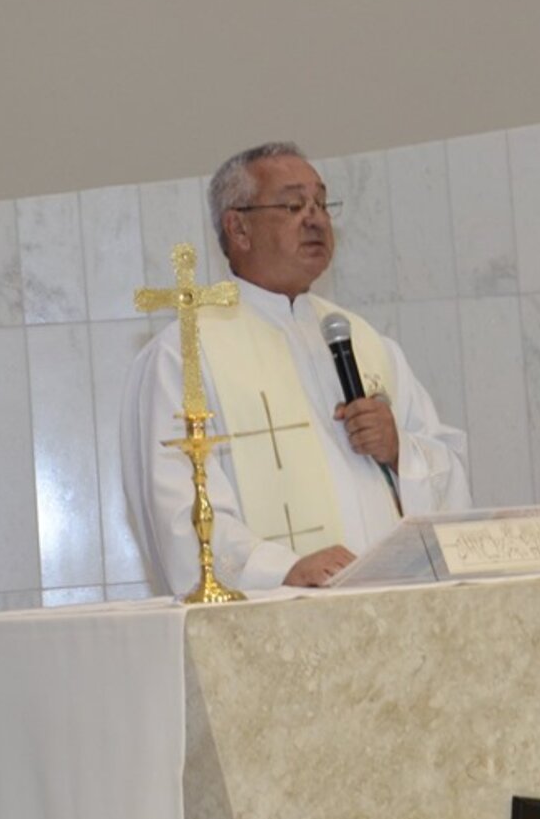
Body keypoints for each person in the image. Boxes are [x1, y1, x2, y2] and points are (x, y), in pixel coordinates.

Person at [121, 142, 471, 595]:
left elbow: (449, 473)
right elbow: (177, 508)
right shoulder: (186, 354)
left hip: (390, 605)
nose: (316, 219)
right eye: (293, 205)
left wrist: (398, 449)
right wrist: (284, 569)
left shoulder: (362, 340)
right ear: (238, 228)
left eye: (321, 204)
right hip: (279, 616)